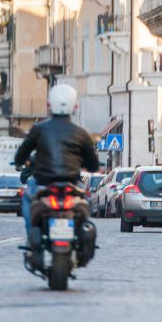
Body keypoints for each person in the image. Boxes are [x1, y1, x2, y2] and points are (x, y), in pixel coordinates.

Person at [13, 84, 100, 265]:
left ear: (48, 105)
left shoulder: (39, 129)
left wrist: (22, 162)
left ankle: (32, 239)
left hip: (44, 184)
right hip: (72, 185)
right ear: (75, 107)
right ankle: (81, 236)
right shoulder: (81, 133)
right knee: (84, 205)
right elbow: (93, 165)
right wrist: (82, 164)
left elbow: (21, 153)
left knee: (28, 201)